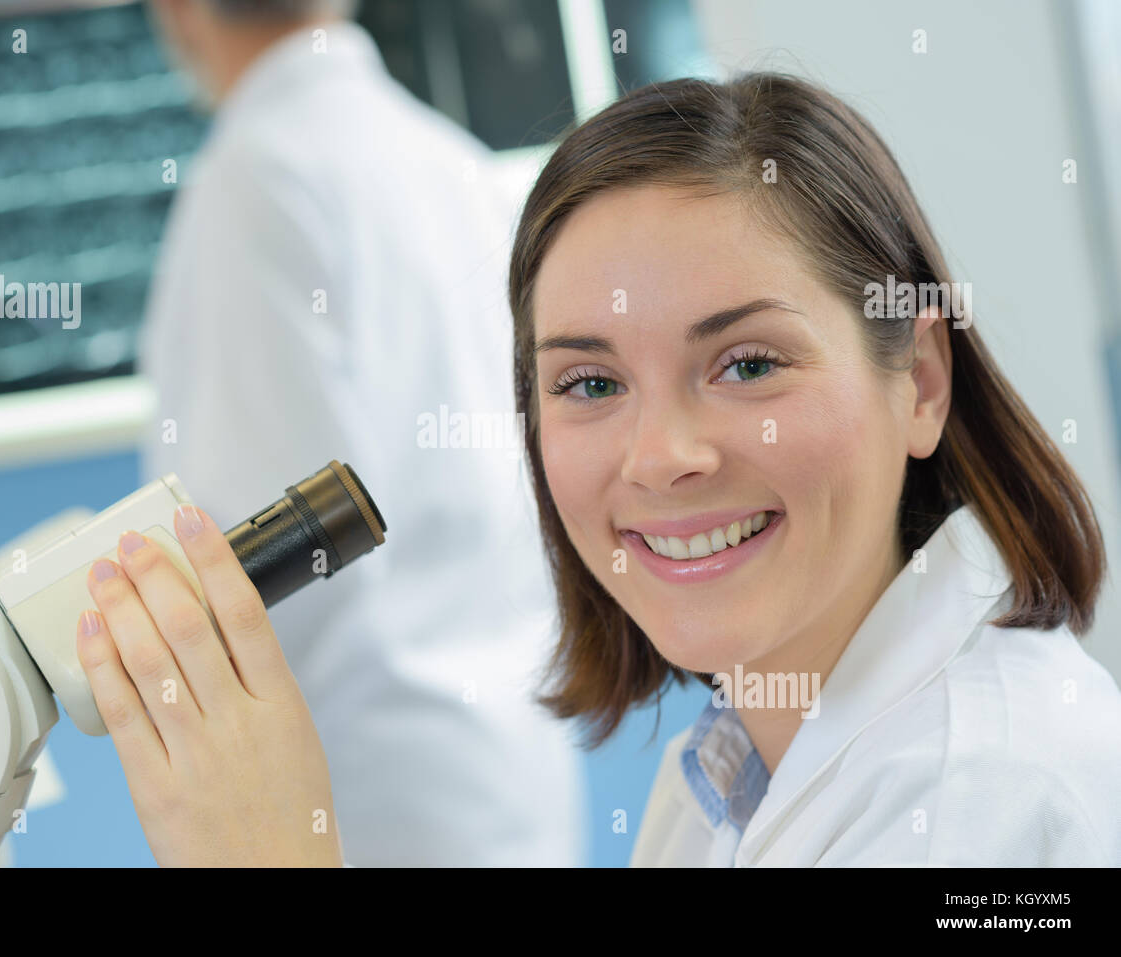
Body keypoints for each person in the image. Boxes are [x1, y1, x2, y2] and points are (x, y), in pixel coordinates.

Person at [79, 71, 1121, 866]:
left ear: (921, 383)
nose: (663, 457)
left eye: (746, 364)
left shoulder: (985, 800)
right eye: (588, 384)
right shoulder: (718, 775)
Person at [133, 0, 584, 865]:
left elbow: (259, 560)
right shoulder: (454, 164)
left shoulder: (256, 178)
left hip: (372, 800)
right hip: (509, 770)